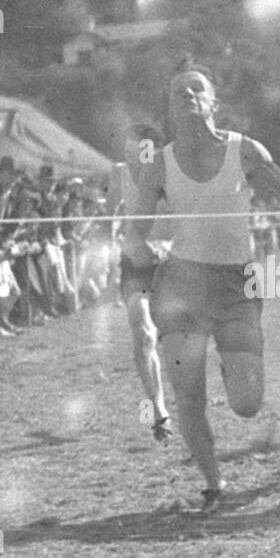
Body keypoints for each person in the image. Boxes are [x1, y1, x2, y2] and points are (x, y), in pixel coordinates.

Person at [123, 63, 280, 507]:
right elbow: (135, 229)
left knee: (248, 402)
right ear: (170, 109)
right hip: (181, 285)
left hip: (237, 283)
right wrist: (138, 248)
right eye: (179, 93)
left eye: (197, 90)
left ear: (214, 103)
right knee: (188, 396)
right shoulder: (160, 164)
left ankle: (232, 366)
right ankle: (214, 486)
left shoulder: (245, 150)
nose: (189, 96)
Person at [113, 124, 173, 443]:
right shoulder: (120, 174)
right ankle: (158, 410)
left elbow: (187, 223)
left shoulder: (170, 174)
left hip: (172, 263)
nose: (134, 159)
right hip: (135, 264)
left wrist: (166, 247)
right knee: (142, 329)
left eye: (141, 152)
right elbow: (108, 215)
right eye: (128, 152)